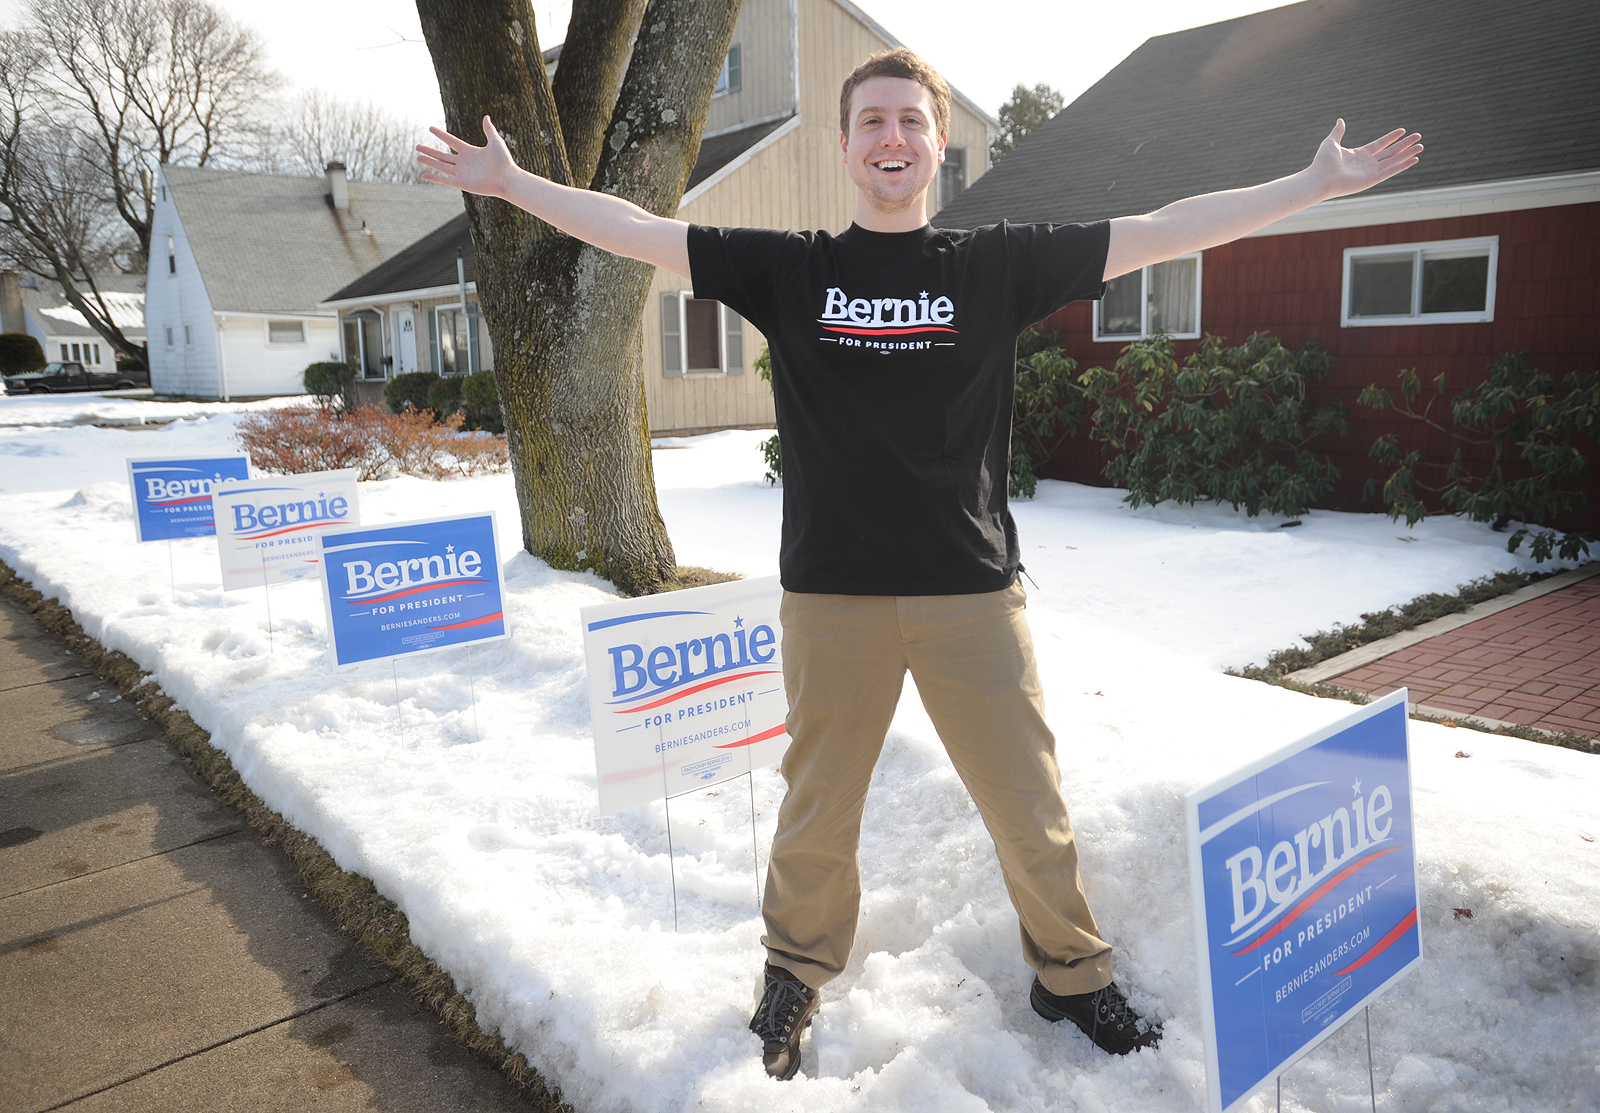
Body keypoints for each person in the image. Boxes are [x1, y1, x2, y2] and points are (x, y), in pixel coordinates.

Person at [418, 46, 1421, 1082]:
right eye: (872, 122)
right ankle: (794, 974)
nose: (892, 138)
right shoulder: (791, 268)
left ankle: (1069, 977)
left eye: (911, 121)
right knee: (817, 807)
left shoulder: (993, 266)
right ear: (845, 145)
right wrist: (509, 183)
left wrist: (1310, 186)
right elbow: (636, 231)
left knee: (1028, 802)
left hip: (969, 594)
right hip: (831, 594)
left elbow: (1162, 229)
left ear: (939, 145)